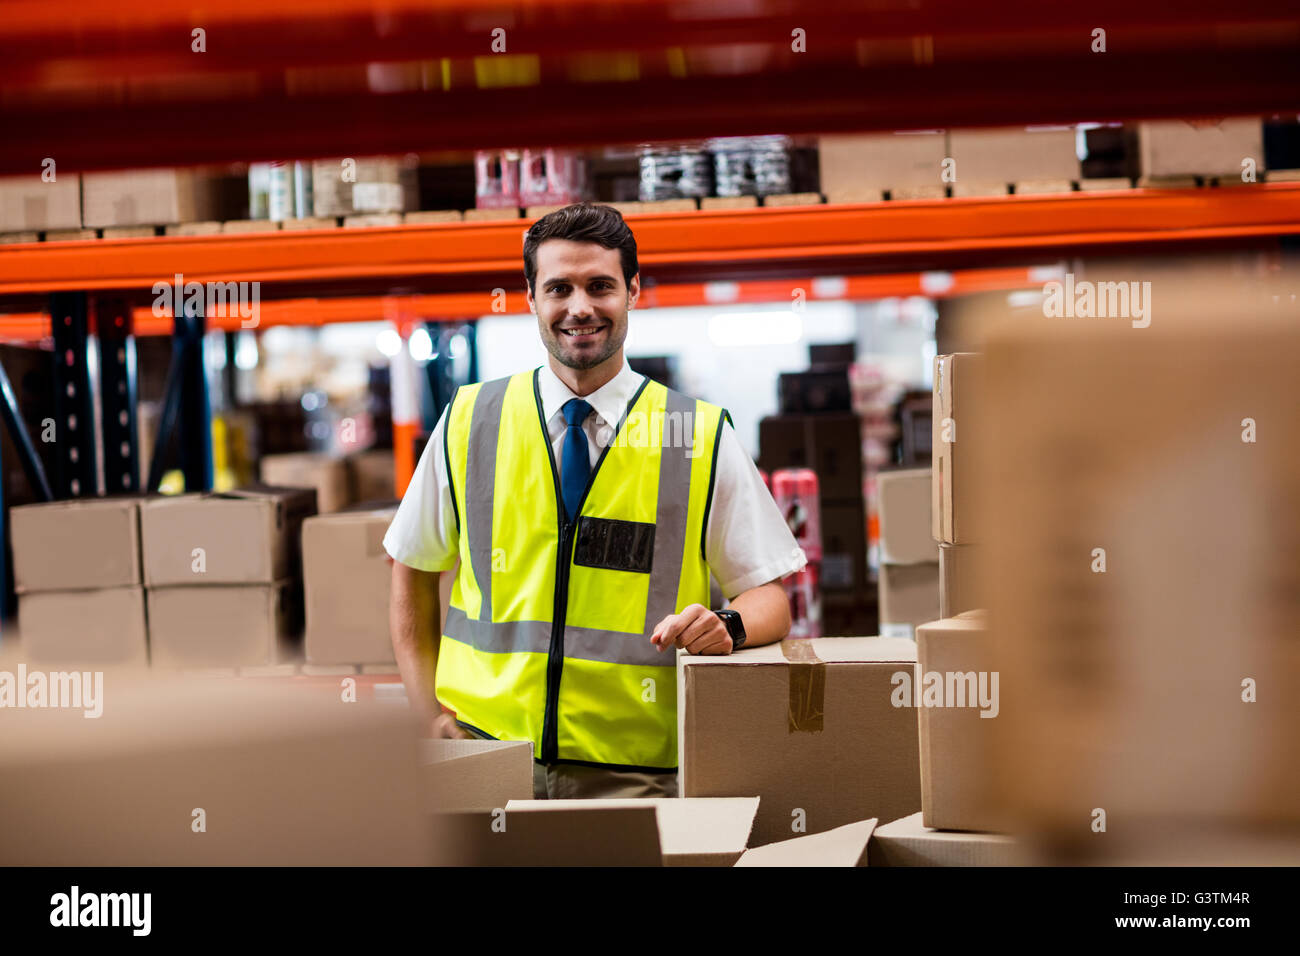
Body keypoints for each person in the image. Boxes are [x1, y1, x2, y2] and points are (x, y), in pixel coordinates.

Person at [384, 201, 806, 799]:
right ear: (530, 298)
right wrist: (424, 714)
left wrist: (728, 625)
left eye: (600, 286)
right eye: (558, 288)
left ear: (632, 290)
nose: (580, 307)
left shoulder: (698, 433)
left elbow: (769, 595)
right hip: (483, 757)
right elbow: (411, 570)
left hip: (636, 774)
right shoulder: (469, 420)